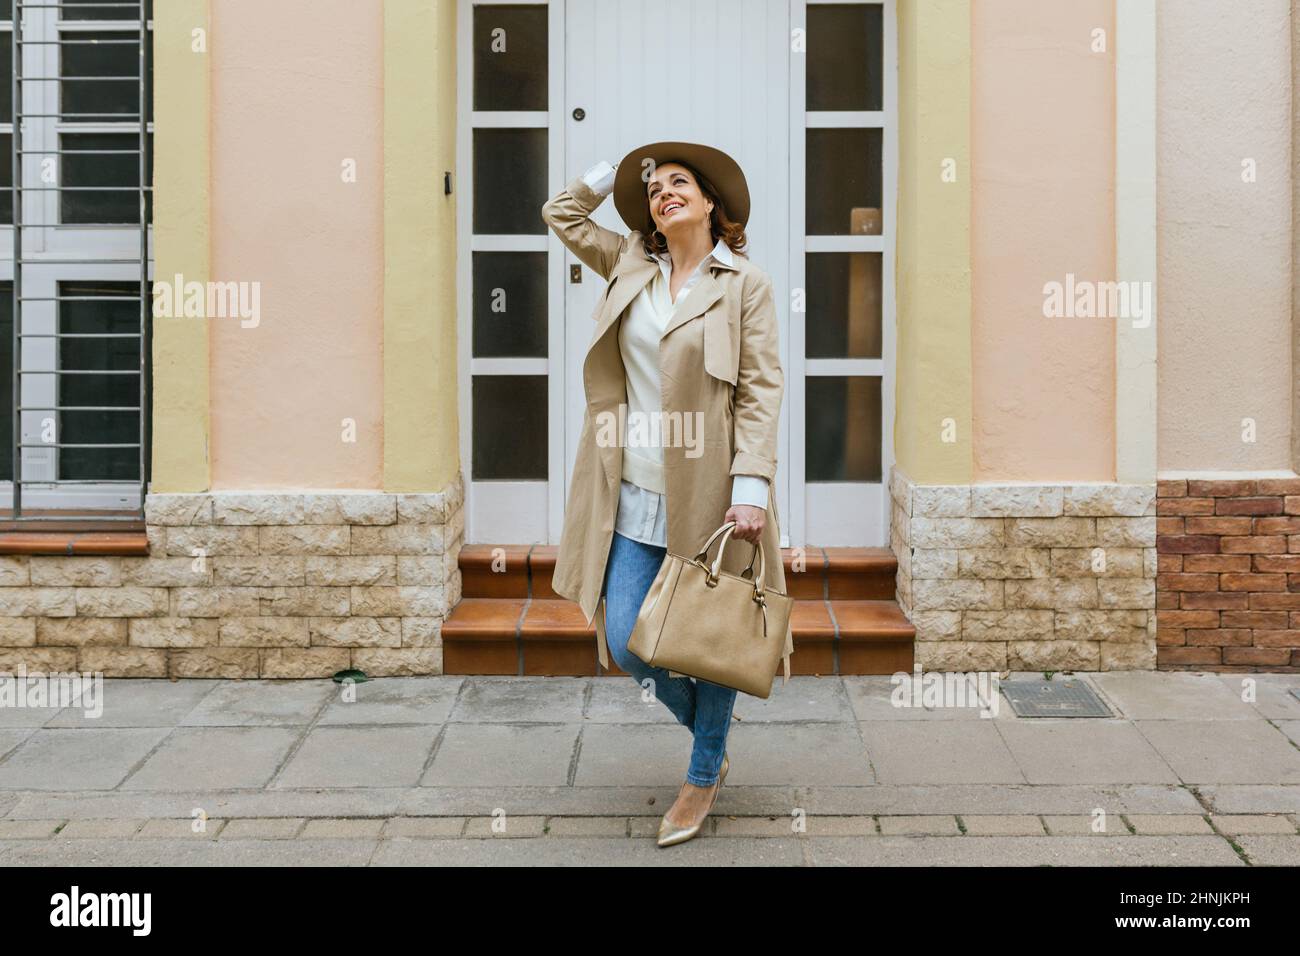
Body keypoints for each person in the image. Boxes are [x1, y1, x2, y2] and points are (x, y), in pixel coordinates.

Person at [541, 141, 789, 847]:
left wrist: (751, 489)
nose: (663, 193)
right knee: (628, 639)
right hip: (629, 488)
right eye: (654, 189)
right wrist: (612, 168)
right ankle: (712, 740)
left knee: (708, 637)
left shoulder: (745, 283)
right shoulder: (629, 263)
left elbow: (761, 392)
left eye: (680, 183)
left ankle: (702, 773)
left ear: (712, 204)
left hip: (711, 494)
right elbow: (561, 215)